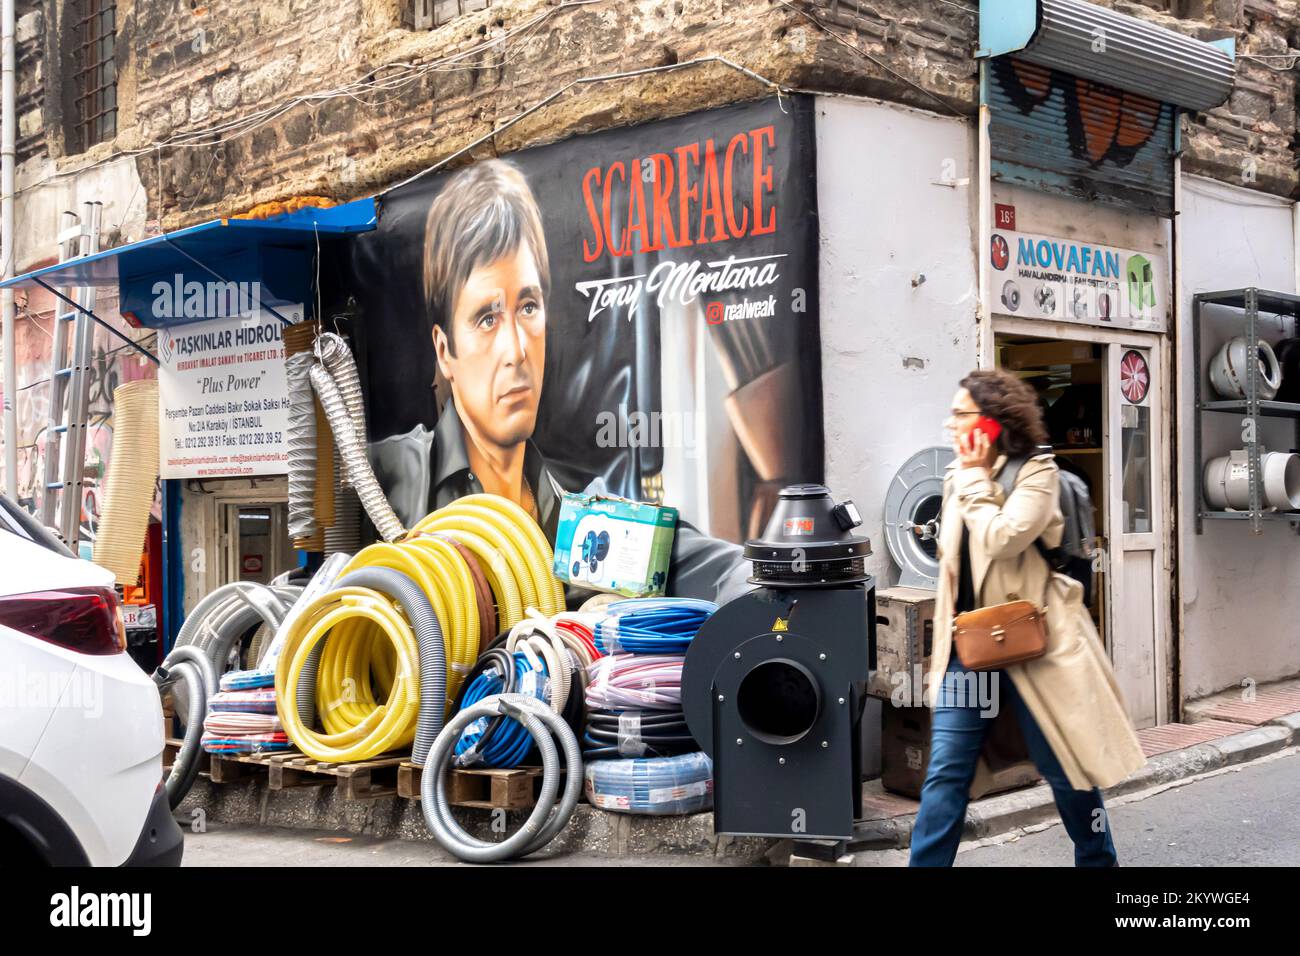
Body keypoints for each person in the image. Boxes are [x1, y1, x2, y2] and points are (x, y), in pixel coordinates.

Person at [373, 158, 753, 606]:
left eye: (528, 307)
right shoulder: (390, 477)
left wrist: (771, 583)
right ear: (444, 351)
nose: (516, 349)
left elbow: (704, 566)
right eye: (487, 319)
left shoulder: (576, 512)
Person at [907, 368, 1146, 867]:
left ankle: (1098, 861)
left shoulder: (1038, 473)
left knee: (1064, 770)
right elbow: (951, 569)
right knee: (946, 775)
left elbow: (1003, 538)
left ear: (993, 421)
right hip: (970, 650)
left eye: (961, 414)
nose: (951, 424)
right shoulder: (956, 476)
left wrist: (976, 479)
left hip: (1034, 648)